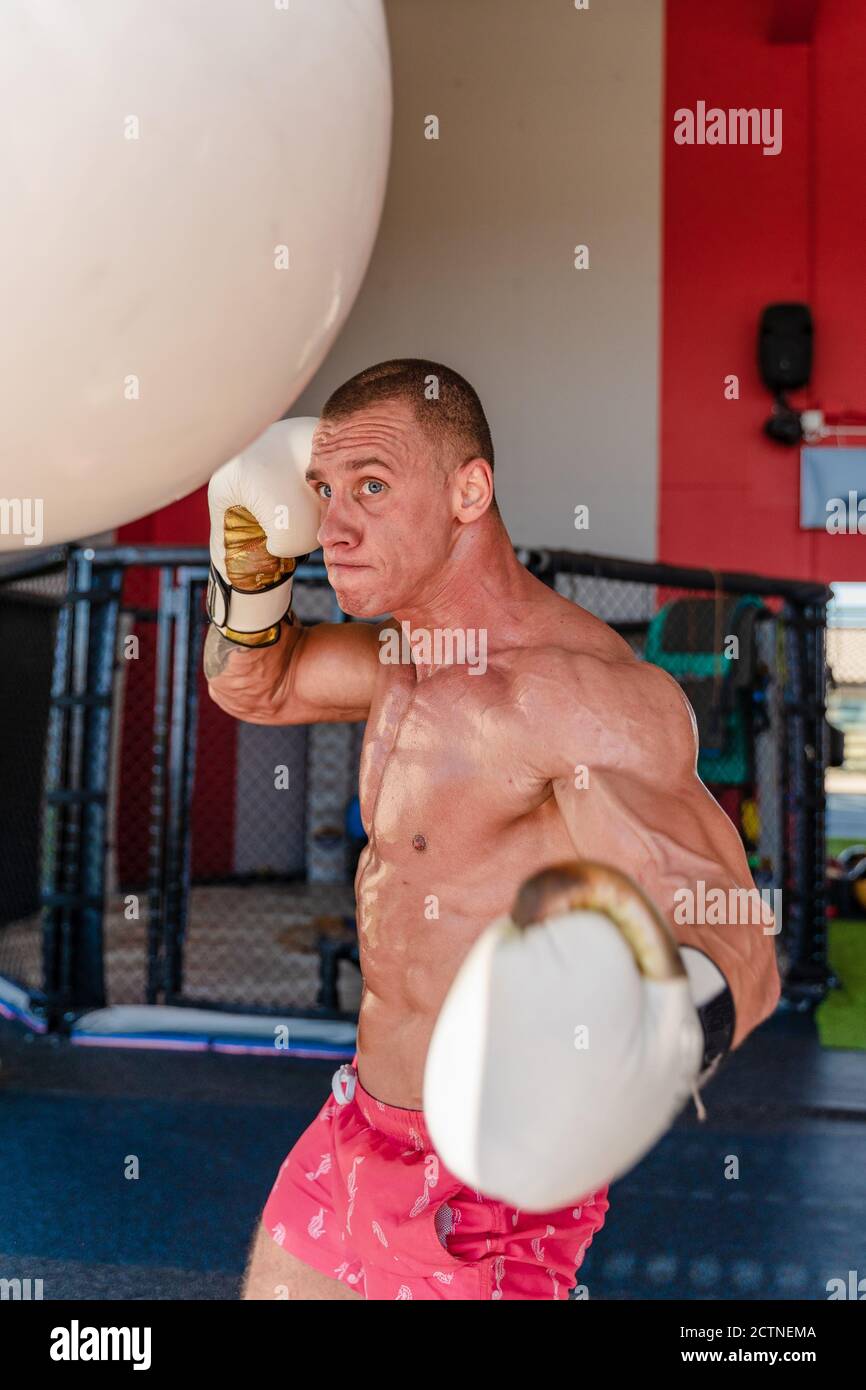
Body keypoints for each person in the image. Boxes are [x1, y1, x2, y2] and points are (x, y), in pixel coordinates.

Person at [204, 359, 781, 1301]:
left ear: (471, 490)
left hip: (483, 1196)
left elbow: (740, 942)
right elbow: (253, 685)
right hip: (358, 1124)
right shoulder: (407, 658)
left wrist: (646, 1033)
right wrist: (246, 562)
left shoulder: (570, 696)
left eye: (374, 488)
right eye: (320, 492)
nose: (332, 526)